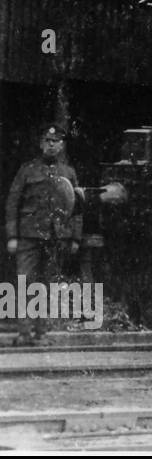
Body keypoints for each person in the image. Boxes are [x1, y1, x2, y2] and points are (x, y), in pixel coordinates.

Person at [5, 124, 81, 346]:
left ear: (61, 145)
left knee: (47, 285)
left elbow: (78, 207)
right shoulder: (27, 170)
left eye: (55, 141)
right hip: (29, 237)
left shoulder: (69, 173)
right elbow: (12, 203)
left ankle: (41, 333)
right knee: (24, 283)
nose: (51, 145)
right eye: (47, 141)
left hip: (56, 238)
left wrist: (75, 237)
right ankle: (24, 333)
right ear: (41, 144)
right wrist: (12, 236)